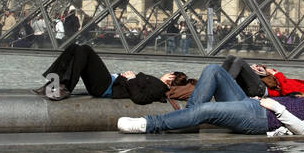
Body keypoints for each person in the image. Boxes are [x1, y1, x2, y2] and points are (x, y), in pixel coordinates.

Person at [117, 63, 304, 136]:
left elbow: (302, 129)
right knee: (214, 70)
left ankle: (150, 124)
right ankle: (187, 120)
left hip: (259, 118)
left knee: (207, 109)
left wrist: (276, 106)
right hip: (254, 104)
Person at [35, 41, 194, 104]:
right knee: (75, 48)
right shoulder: (157, 84)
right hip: (110, 81)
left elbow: (140, 98)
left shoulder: (159, 87)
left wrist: (131, 79)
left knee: (85, 49)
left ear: (170, 78)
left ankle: (64, 87)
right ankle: (54, 82)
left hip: (107, 87)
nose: (166, 73)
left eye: (169, 73)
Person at [218, 55, 304, 98]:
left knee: (238, 61)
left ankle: (222, 85)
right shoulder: (302, 83)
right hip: (259, 85)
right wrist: (267, 71)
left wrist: (276, 73)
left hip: (261, 89)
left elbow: (286, 90)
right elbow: (281, 81)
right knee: (231, 58)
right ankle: (219, 83)